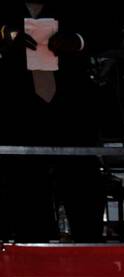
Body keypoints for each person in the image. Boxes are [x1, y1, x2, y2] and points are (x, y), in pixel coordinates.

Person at [0, 2, 106, 242]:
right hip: (18, 111)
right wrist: (5, 34)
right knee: (26, 187)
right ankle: (34, 254)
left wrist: (76, 41)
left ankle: (89, 251)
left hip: (71, 109)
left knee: (81, 183)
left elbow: (106, 29)